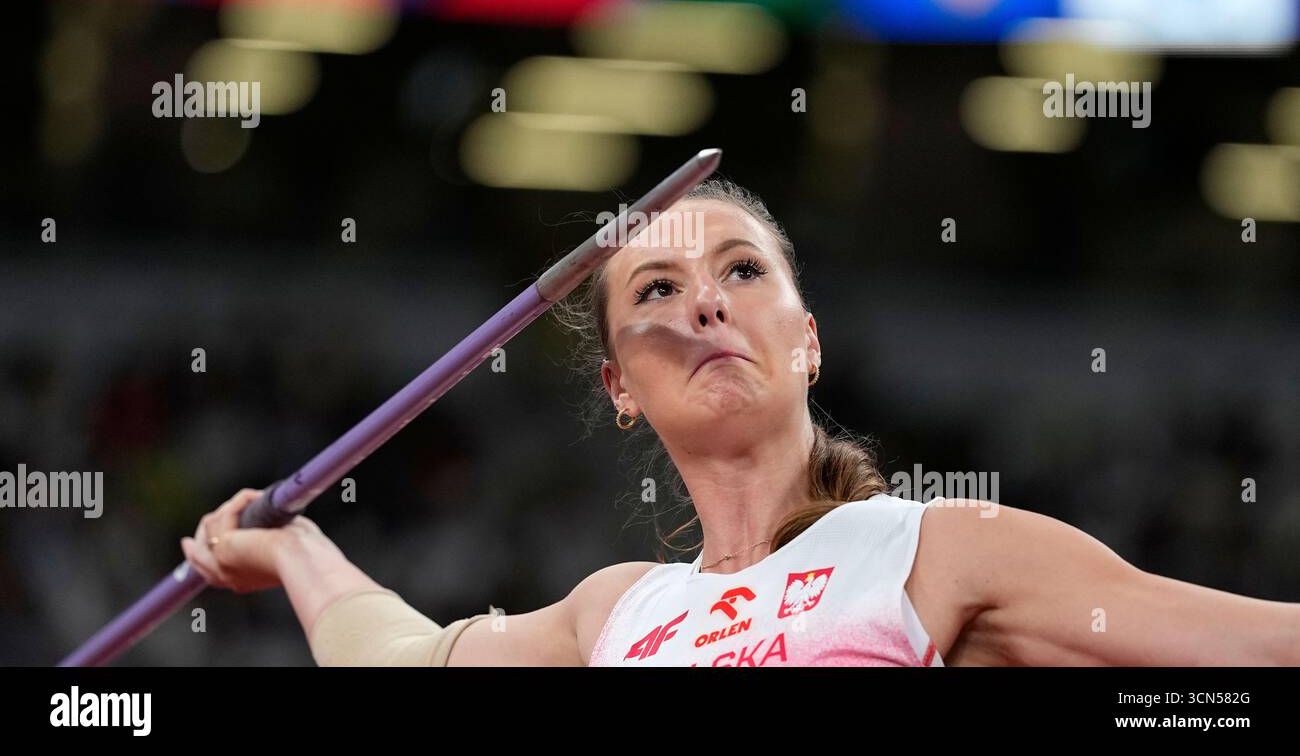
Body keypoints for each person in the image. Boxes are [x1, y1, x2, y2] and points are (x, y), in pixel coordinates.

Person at [181, 178, 1299, 666]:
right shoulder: (616, 614)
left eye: (738, 269)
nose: (702, 299)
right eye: (655, 291)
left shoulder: (936, 549)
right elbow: (407, 660)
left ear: (806, 339)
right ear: (621, 385)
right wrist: (293, 547)